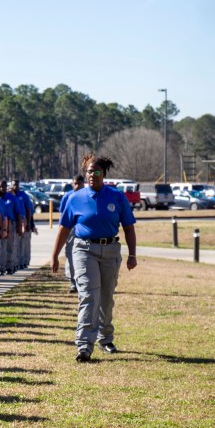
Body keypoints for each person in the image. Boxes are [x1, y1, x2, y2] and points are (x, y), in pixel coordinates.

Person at [50, 155, 137, 362]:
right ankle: (84, 346)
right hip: (83, 249)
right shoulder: (75, 198)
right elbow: (64, 229)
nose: (92, 175)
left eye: (97, 172)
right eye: (89, 172)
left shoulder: (117, 197)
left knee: (106, 299)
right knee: (89, 295)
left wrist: (132, 255)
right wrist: (55, 255)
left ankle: (105, 338)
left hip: (110, 250)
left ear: (104, 174)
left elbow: (128, 227)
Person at [59, 175, 85, 292]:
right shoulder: (67, 196)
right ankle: (73, 281)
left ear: (83, 183)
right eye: (75, 184)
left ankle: (82, 280)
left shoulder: (87, 195)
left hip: (82, 229)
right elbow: (63, 216)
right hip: (70, 229)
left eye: (79, 183)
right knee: (70, 255)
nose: (77, 186)